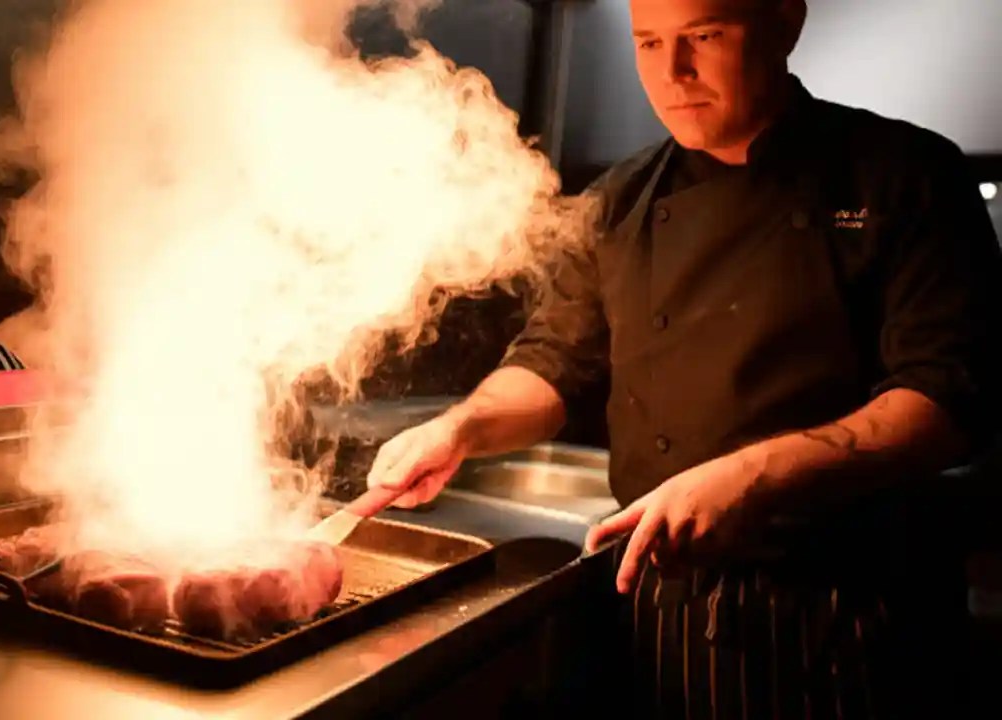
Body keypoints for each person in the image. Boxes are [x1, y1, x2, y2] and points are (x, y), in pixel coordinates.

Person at [365, 0, 1002, 717]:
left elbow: (947, 400)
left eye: (703, 36)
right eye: (649, 43)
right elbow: (553, 364)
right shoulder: (621, 199)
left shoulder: (903, 175)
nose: (673, 72)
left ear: (783, 23)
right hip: (657, 599)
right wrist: (462, 428)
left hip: (852, 606)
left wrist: (747, 476)